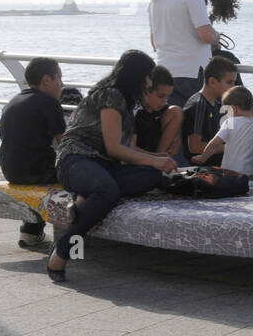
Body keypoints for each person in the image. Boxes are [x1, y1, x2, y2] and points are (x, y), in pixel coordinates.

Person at [46, 50, 177, 283]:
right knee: (107, 190)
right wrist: (155, 160)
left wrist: (159, 159)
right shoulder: (110, 95)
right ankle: (62, 251)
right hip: (76, 159)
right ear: (138, 76)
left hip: (103, 166)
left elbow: (128, 150)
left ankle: (83, 199)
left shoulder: (127, 103)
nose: (149, 82)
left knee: (152, 175)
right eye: (148, 77)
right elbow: (114, 148)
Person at [0, 57, 66, 247]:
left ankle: (31, 231)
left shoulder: (13, 101)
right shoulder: (49, 103)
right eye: (59, 78)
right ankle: (71, 236)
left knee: (38, 160)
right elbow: (65, 143)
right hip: (36, 171)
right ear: (47, 80)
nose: (62, 84)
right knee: (76, 173)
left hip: (10, 169)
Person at [142, 0, 244, 85]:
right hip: (192, 67)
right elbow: (205, 35)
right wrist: (215, 36)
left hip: (170, 65)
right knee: (230, 60)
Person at [147, 0, 221, 107]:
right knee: (196, 117)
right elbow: (206, 36)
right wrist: (216, 36)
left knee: (173, 116)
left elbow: (154, 42)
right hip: (192, 71)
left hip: (164, 71)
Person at [192, 85, 253, 177]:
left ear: (234, 109)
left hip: (231, 173)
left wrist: (203, 157)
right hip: (252, 173)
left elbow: (215, 143)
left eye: (227, 111)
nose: (227, 115)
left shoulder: (230, 122)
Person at [181, 56, 238, 166]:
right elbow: (194, 147)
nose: (233, 87)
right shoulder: (199, 105)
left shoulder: (219, 104)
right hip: (204, 167)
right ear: (212, 82)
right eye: (229, 82)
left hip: (222, 163)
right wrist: (230, 148)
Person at [134, 66, 184, 157]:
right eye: (161, 96)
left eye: (168, 97)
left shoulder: (162, 108)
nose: (164, 101)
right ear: (146, 91)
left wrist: (179, 138)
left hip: (152, 151)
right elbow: (127, 147)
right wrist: (155, 158)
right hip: (132, 155)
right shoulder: (133, 110)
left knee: (176, 111)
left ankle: (160, 157)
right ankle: (159, 158)